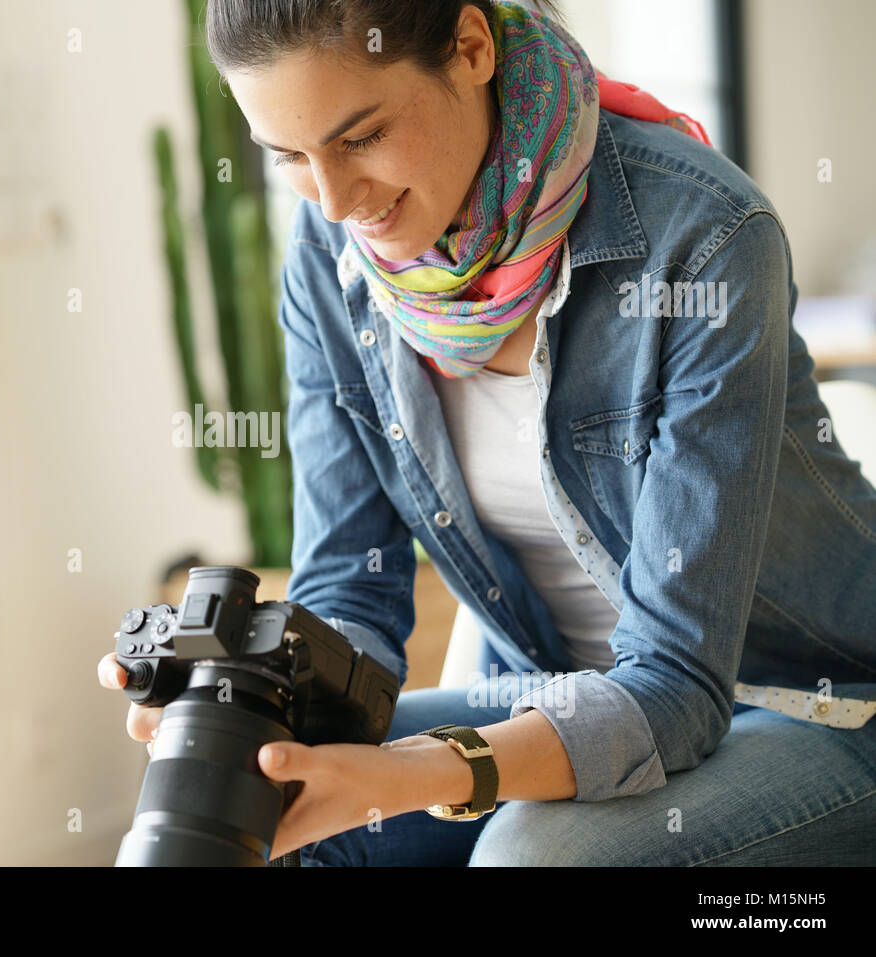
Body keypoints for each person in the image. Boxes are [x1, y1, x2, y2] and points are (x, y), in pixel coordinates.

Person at [99, 0, 876, 865]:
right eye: (289, 156)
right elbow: (349, 597)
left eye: (360, 137)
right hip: (556, 694)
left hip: (808, 702)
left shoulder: (703, 238)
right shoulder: (328, 256)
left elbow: (677, 687)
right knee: (251, 808)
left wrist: (435, 771)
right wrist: (247, 706)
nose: (335, 200)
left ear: (470, 48)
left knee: (534, 856)